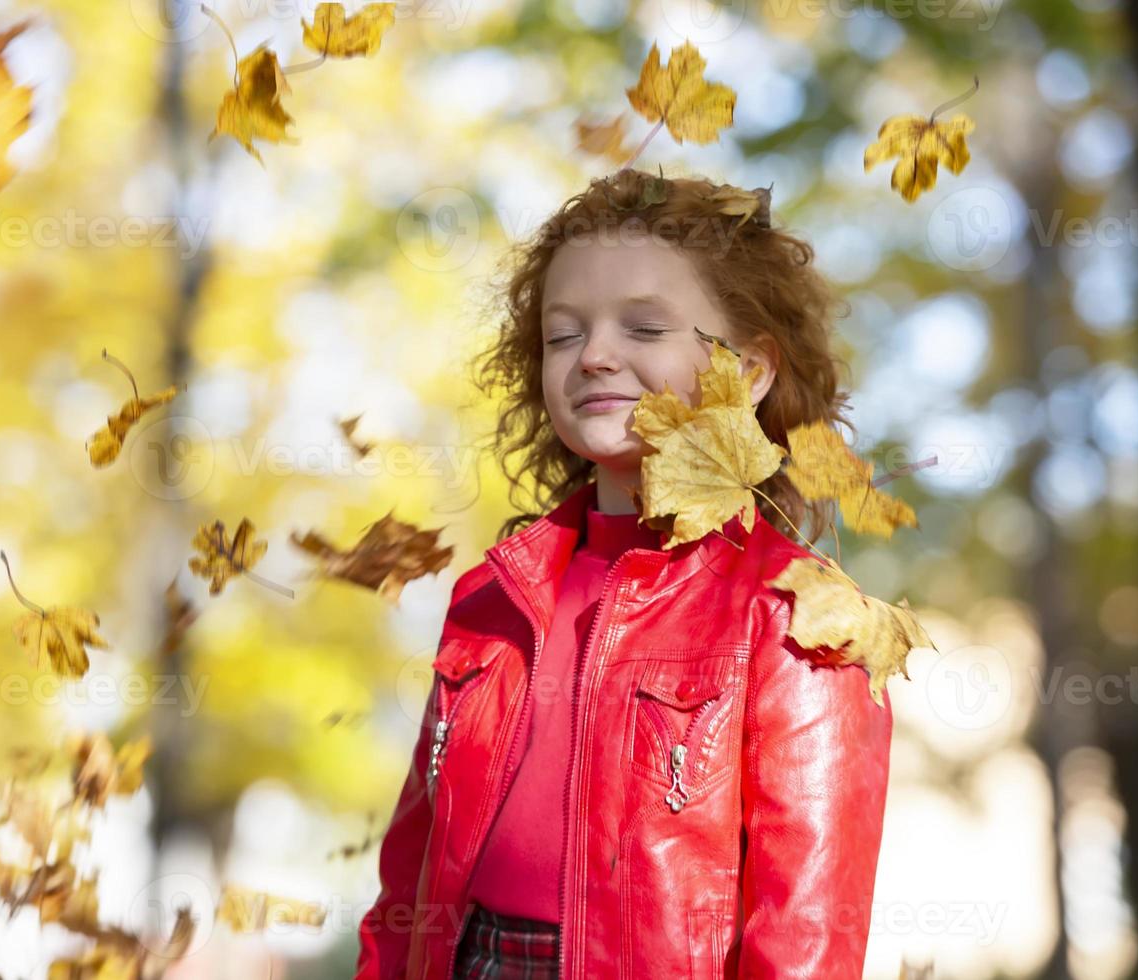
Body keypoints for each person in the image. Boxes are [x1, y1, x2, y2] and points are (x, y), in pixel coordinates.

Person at [355, 167, 894, 979]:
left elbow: (806, 929)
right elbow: (411, 875)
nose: (597, 355)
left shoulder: (795, 614)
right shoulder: (490, 599)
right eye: (563, 335)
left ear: (749, 372)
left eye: (644, 330)